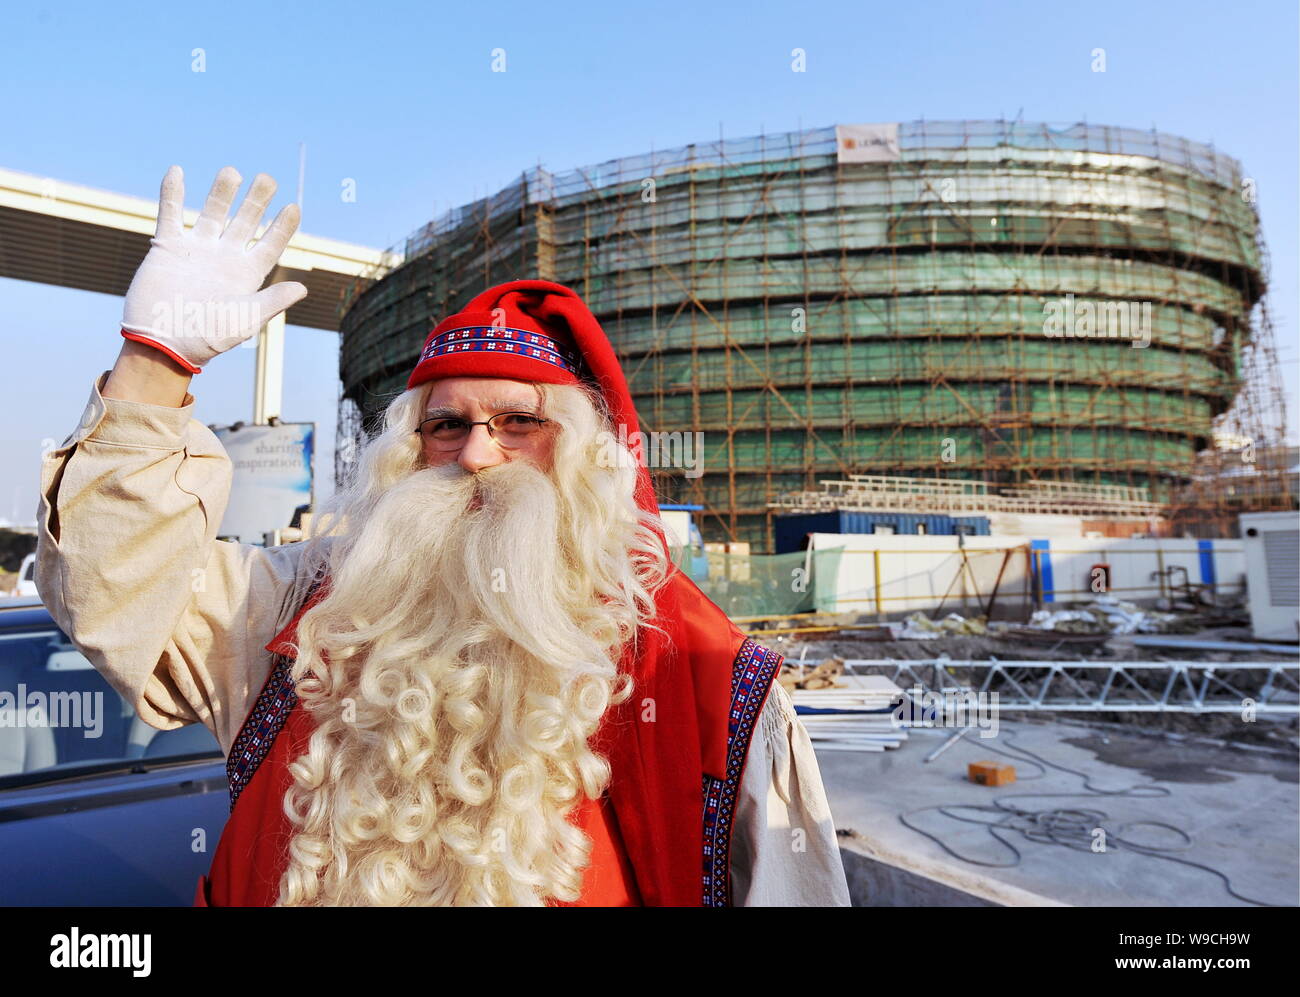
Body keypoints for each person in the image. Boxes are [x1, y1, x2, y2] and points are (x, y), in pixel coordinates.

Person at [35, 164, 851, 907]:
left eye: (518, 424)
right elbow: (116, 586)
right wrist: (154, 362)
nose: (476, 454)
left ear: (576, 453)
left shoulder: (702, 675)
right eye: (446, 425)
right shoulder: (304, 616)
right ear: (408, 453)